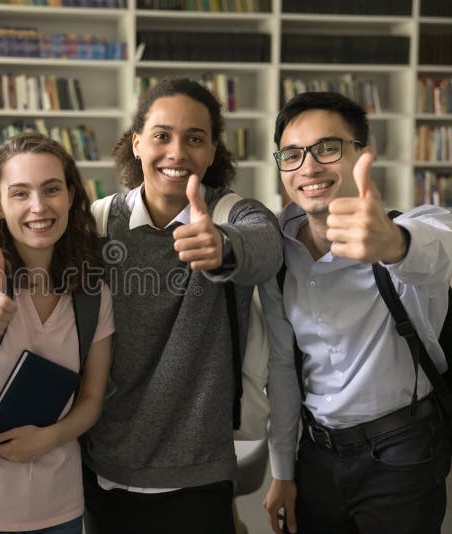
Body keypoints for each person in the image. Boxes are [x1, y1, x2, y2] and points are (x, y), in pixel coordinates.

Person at [81, 77, 282, 534]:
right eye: (161, 136)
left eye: (195, 139)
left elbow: (266, 246)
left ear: (212, 152)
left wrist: (222, 247)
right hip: (103, 465)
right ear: (136, 144)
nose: (177, 152)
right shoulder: (98, 220)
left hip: (201, 470)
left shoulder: (233, 214)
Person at [260, 91, 452, 534]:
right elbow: (284, 371)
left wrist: (395, 245)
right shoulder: (278, 253)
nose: (308, 167)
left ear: (363, 154)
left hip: (402, 453)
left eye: (328, 148)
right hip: (317, 456)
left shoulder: (408, 229)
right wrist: (283, 470)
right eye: (292, 154)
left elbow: (440, 249)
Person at [0, 132, 114, 533]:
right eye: (20, 193)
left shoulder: (92, 295)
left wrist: (49, 437)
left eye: (51, 189)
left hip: (61, 511)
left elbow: (92, 398)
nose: (38, 206)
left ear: (71, 195)